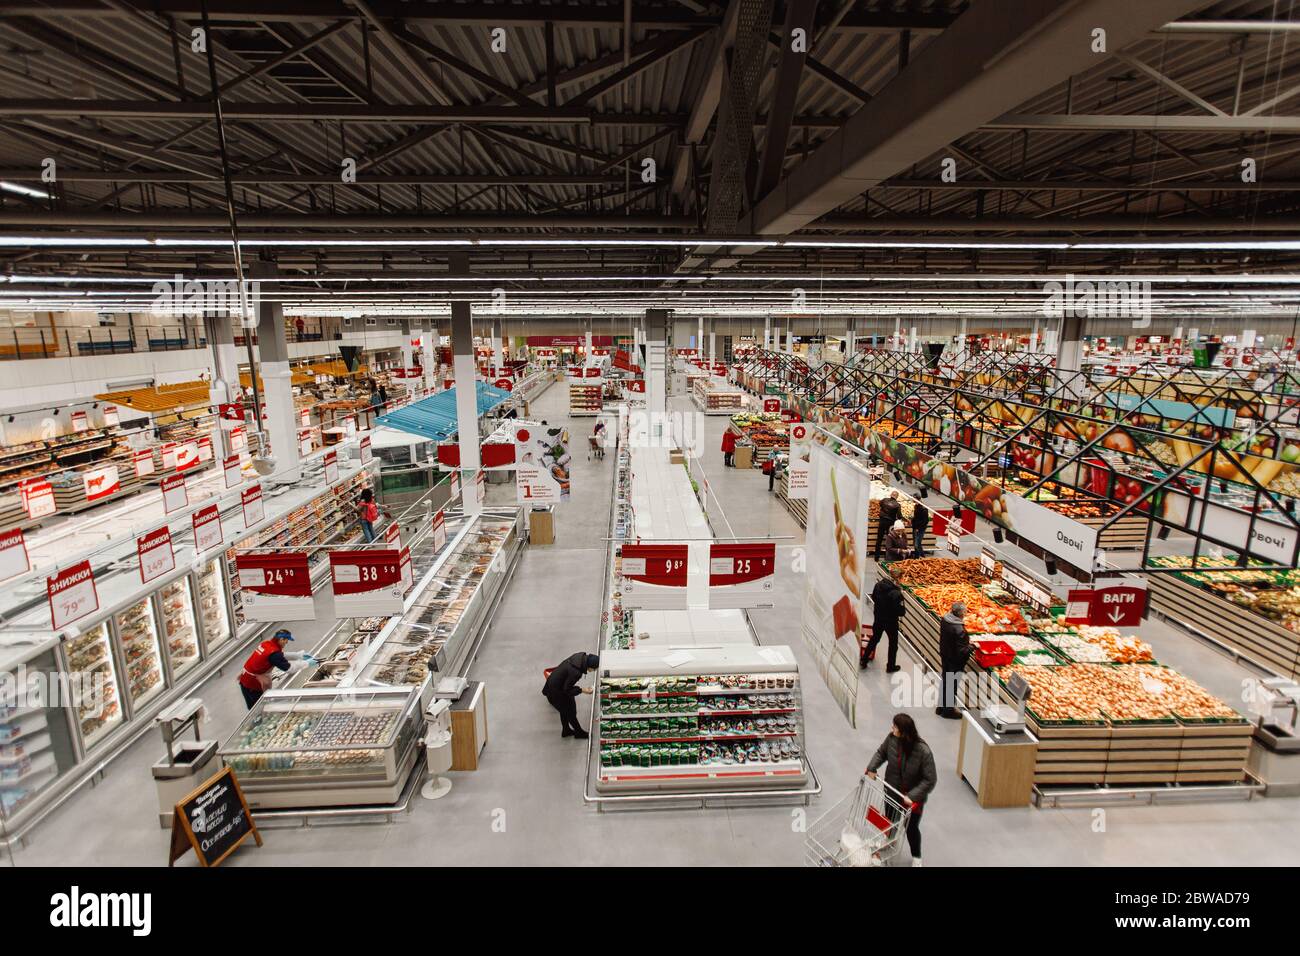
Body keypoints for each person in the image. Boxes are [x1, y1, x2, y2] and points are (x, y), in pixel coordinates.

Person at [866, 713, 937, 866]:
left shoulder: (923, 751)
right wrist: (871, 768)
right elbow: (881, 753)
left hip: (911, 800)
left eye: (895, 727)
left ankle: (917, 857)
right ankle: (888, 841)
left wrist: (912, 795)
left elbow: (930, 779)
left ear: (903, 732)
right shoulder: (891, 739)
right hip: (892, 791)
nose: (892, 729)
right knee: (890, 821)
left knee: (910, 828)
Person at [238, 629, 315, 709]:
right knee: (259, 708)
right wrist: (308, 663)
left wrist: (298, 655)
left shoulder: (267, 644)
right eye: (287, 640)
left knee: (254, 707)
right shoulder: (274, 654)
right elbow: (290, 669)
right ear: (281, 639)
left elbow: (279, 655)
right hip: (252, 685)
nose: (287, 643)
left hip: (245, 679)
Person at [543, 651, 600, 738]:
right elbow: (567, 690)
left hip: (553, 685)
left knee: (566, 709)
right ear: (590, 667)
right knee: (570, 712)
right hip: (556, 692)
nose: (594, 671)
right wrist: (582, 690)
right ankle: (579, 733)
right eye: (594, 669)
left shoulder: (578, 658)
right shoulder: (576, 673)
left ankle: (566, 730)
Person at [937, 601, 973, 719]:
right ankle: (948, 711)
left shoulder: (945, 620)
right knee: (952, 684)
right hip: (955, 660)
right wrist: (973, 646)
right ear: (961, 613)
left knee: (945, 680)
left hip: (945, 654)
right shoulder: (959, 629)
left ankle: (941, 707)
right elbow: (962, 651)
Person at [865, 576, 904, 672]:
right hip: (891, 622)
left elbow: (873, 597)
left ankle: (864, 659)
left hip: (878, 618)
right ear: (897, 580)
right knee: (893, 644)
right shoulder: (897, 594)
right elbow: (901, 612)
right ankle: (890, 666)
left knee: (875, 638)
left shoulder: (878, 585)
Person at [874, 490, 902, 559]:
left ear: (891, 494)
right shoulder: (897, 505)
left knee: (879, 539)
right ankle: (887, 556)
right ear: (897, 497)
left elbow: (880, 504)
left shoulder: (884, 500)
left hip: (882, 521)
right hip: (890, 523)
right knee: (888, 539)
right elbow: (899, 516)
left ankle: (876, 557)